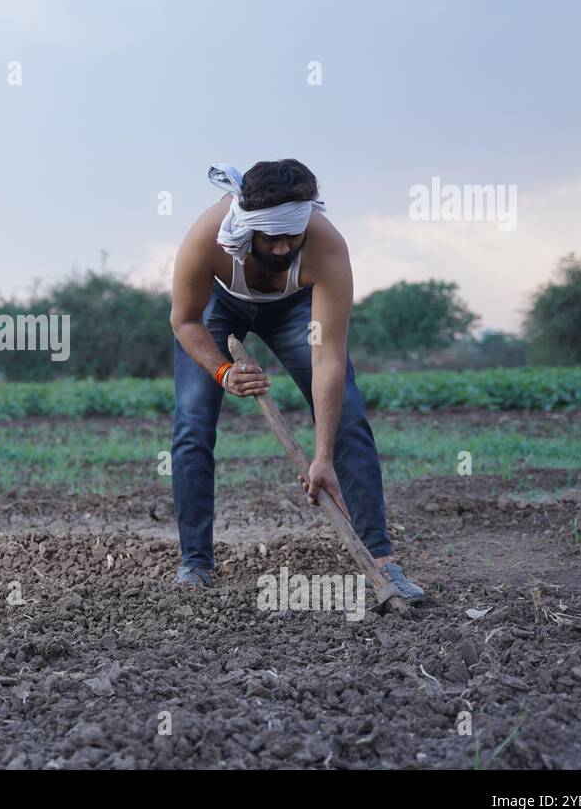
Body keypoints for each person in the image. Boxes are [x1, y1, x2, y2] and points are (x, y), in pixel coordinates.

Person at [168, 158, 425, 602]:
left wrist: (321, 456)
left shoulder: (325, 246)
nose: (285, 248)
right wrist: (224, 372)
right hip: (218, 306)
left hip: (294, 307)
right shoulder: (205, 239)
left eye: (294, 235)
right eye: (274, 238)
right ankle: (196, 563)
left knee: (346, 412)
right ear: (249, 227)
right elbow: (185, 320)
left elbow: (329, 361)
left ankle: (381, 561)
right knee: (192, 425)